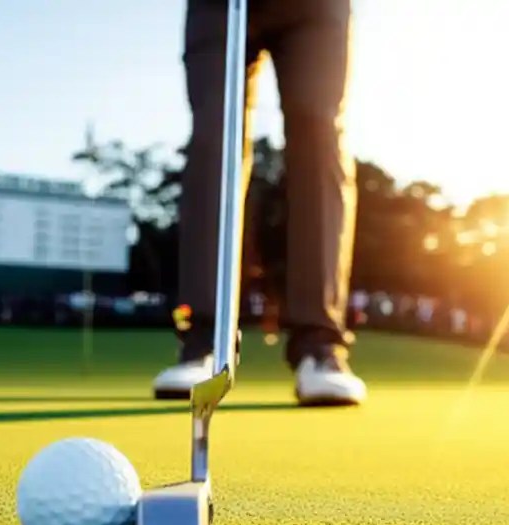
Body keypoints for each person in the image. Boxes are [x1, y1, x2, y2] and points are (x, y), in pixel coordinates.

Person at [152, 0, 367, 406]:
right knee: (216, 136)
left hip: (314, 9)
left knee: (318, 129)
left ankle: (320, 348)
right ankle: (204, 343)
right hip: (219, 7)